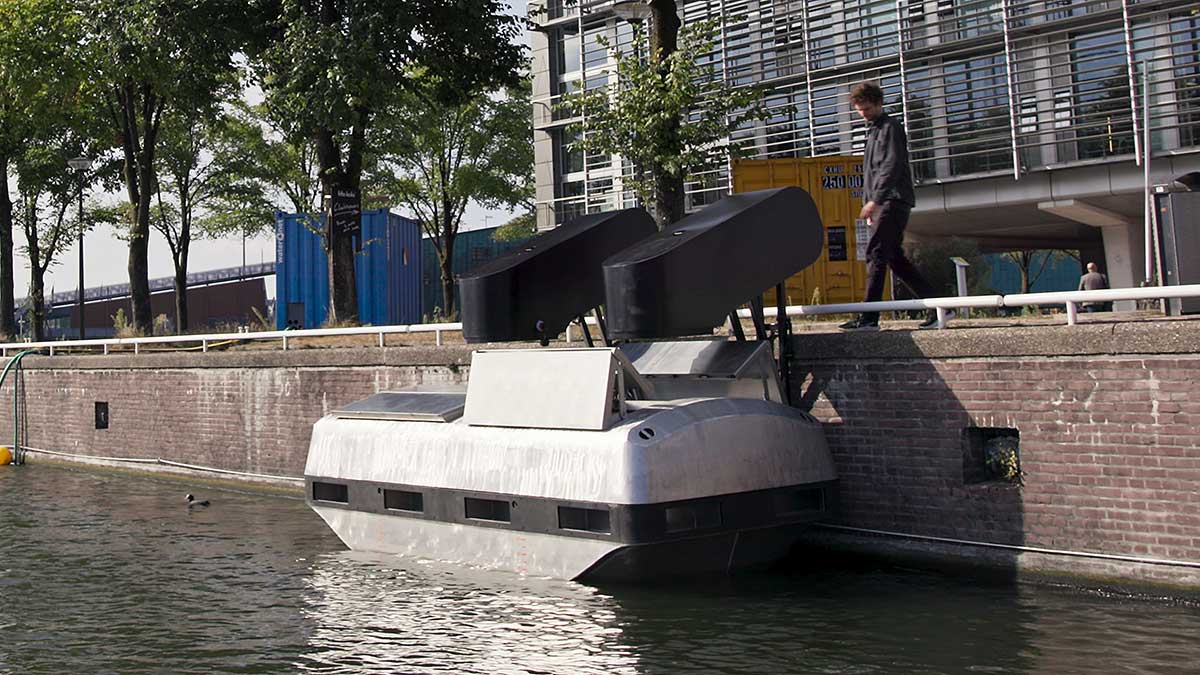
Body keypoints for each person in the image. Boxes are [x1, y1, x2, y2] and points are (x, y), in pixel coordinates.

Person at [839, 81, 948, 331]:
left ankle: (869, 318)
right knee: (894, 259)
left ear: (878, 103)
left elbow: (891, 165)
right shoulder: (874, 131)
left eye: (866, 108)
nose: (862, 114)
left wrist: (875, 201)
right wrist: (871, 202)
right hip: (886, 200)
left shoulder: (890, 128)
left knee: (876, 253)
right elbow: (872, 172)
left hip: (892, 199)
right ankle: (941, 306)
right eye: (859, 110)